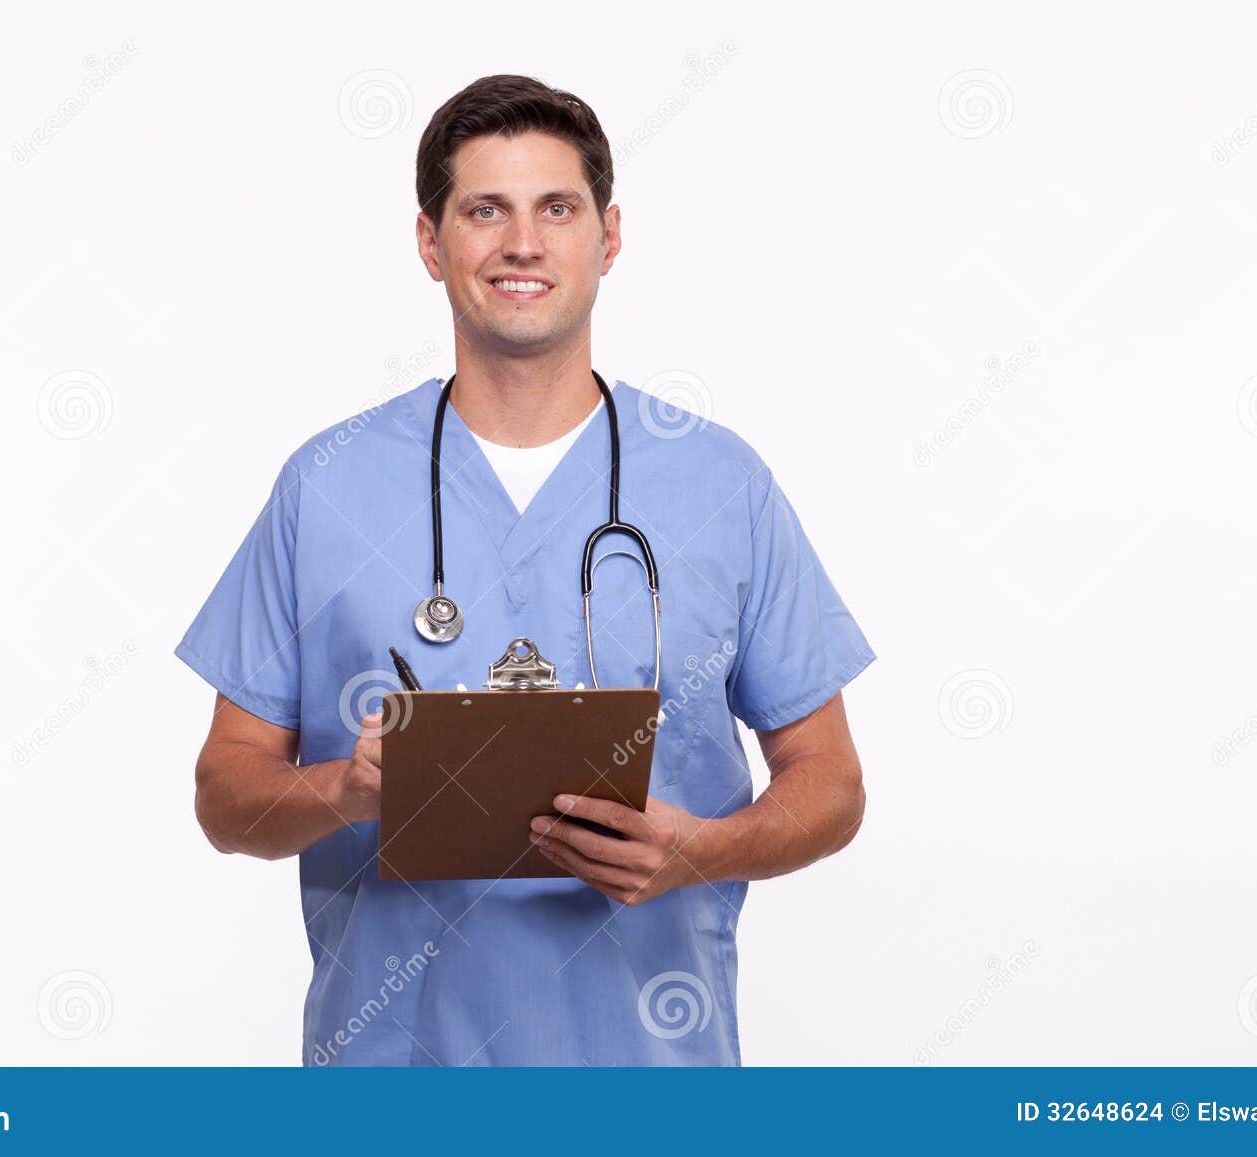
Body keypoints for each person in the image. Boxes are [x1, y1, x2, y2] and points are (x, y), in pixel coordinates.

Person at [175, 74, 876, 1066]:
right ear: (431, 242)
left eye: (557, 207)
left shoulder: (720, 482)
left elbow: (832, 780)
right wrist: (349, 788)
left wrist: (703, 851)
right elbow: (223, 793)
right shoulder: (327, 488)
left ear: (609, 236)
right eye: (483, 210)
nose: (522, 243)